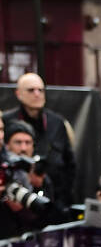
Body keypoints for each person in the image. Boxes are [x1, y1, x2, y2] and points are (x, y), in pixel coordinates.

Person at [3, 72, 76, 209]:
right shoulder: (6, 122)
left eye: (41, 90)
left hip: (53, 201)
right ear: (18, 93)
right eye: (31, 90)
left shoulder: (57, 123)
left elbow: (69, 165)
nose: (37, 94)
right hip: (14, 202)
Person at [0, 119, 55, 239]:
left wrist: (38, 187)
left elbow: (51, 214)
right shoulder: (4, 172)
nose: (23, 148)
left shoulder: (41, 175)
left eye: (27, 142)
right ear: (7, 145)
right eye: (18, 142)